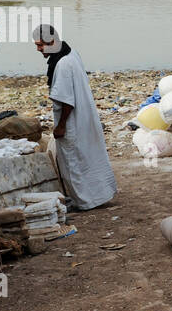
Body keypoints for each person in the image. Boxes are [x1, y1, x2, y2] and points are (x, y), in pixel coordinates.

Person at [33, 25, 117, 210]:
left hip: (72, 121)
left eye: (40, 45)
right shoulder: (71, 54)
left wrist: (61, 125)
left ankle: (84, 202)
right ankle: (98, 195)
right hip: (84, 117)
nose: (38, 49)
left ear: (51, 42)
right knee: (89, 157)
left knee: (73, 163)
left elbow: (66, 101)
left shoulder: (62, 64)